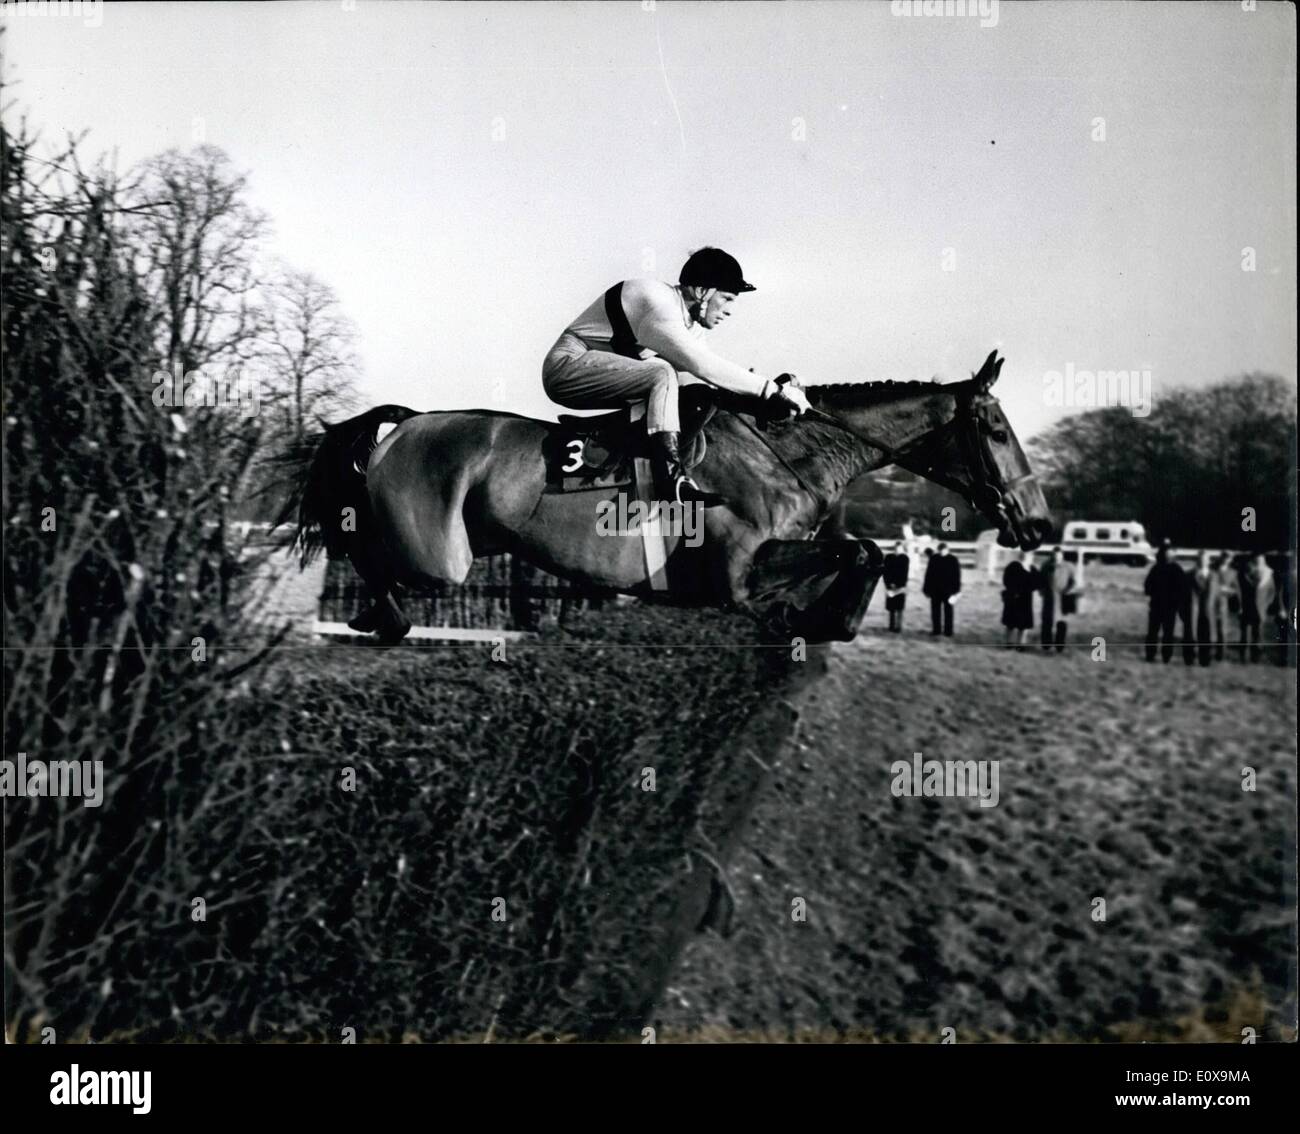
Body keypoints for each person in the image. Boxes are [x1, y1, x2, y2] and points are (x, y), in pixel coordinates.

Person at [542, 247, 811, 506]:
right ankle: (668, 478)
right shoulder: (657, 302)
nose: (730, 310)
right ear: (702, 291)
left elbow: (708, 380)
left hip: (608, 372)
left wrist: (762, 403)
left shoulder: (688, 324)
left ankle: (612, 432)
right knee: (662, 373)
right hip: (568, 366)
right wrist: (772, 390)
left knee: (696, 390)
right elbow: (704, 365)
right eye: (727, 299)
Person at [1144, 540, 1186, 663]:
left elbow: (1182, 588)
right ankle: (1150, 655)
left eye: (1170, 551)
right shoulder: (1155, 569)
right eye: (1166, 551)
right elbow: (1147, 587)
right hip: (1156, 606)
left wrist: (1177, 602)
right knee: (1153, 632)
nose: (1168, 554)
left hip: (1170, 607)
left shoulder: (1177, 569)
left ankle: (1166, 656)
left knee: (1168, 633)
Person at [1238, 552, 1277, 664]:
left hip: (1260, 609)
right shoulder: (1245, 573)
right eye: (1257, 560)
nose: (1259, 562)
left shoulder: (1268, 575)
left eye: (1261, 560)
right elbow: (1240, 591)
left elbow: (1272, 592)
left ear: (1263, 561)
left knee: (1258, 634)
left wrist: (1267, 604)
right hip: (1247, 608)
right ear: (1254, 561)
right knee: (1244, 634)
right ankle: (1243, 657)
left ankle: (1256, 658)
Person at [1184, 550, 1219, 667]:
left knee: (1206, 634)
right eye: (1200, 559)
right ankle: (1189, 658)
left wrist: (1217, 610)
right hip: (1192, 610)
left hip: (1208, 611)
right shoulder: (1188, 575)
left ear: (1209, 561)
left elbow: (1217, 595)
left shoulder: (1214, 575)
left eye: (1205, 559)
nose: (1202, 562)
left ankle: (1205, 659)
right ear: (1196, 561)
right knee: (1190, 634)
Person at [1038, 546, 1077, 653]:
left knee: (1062, 621)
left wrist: (1067, 591)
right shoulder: (1046, 565)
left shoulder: (1069, 567)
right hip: (1049, 596)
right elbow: (1040, 580)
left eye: (1058, 556)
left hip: (1063, 597)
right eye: (1054, 556)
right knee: (1047, 620)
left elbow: (1073, 581)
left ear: (1062, 556)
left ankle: (1060, 645)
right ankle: (1046, 644)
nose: (1056, 558)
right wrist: (1042, 591)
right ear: (1052, 555)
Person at [1000, 548, 1037, 649]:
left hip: (1026, 599)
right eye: (1028, 555)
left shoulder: (1032, 569)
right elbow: (1006, 580)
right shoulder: (1013, 566)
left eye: (1031, 555)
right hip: (1014, 598)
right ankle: (1009, 643)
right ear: (1022, 556)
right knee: (1010, 623)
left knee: (1024, 624)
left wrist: (1030, 588)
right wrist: (1013, 590)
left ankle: (1021, 644)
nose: (1030, 557)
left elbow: (1036, 583)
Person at [923, 542, 961, 637]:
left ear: (947, 550)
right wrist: (926, 589)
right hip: (935, 590)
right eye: (941, 550)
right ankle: (936, 630)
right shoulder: (934, 559)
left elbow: (957, 576)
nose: (942, 552)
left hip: (949, 590)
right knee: (935, 611)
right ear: (939, 550)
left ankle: (948, 631)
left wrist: (956, 590)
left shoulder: (953, 560)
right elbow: (928, 575)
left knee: (948, 611)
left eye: (944, 550)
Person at [1210, 553, 1239, 662]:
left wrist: (1228, 591)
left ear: (1231, 560)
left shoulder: (1233, 573)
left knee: (1222, 629)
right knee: (1209, 627)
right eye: (1224, 558)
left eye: (1228, 558)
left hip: (1223, 603)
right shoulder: (1212, 569)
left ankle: (1221, 653)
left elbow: (1235, 589)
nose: (1226, 560)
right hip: (1211, 602)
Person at [882, 541, 910, 632]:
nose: (898, 550)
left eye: (900, 548)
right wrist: (889, 583)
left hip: (900, 586)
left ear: (902, 549)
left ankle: (898, 626)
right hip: (890, 585)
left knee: (899, 607)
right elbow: (886, 572)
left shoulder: (905, 558)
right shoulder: (888, 558)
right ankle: (891, 626)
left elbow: (904, 572)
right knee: (891, 607)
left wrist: (899, 584)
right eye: (896, 548)